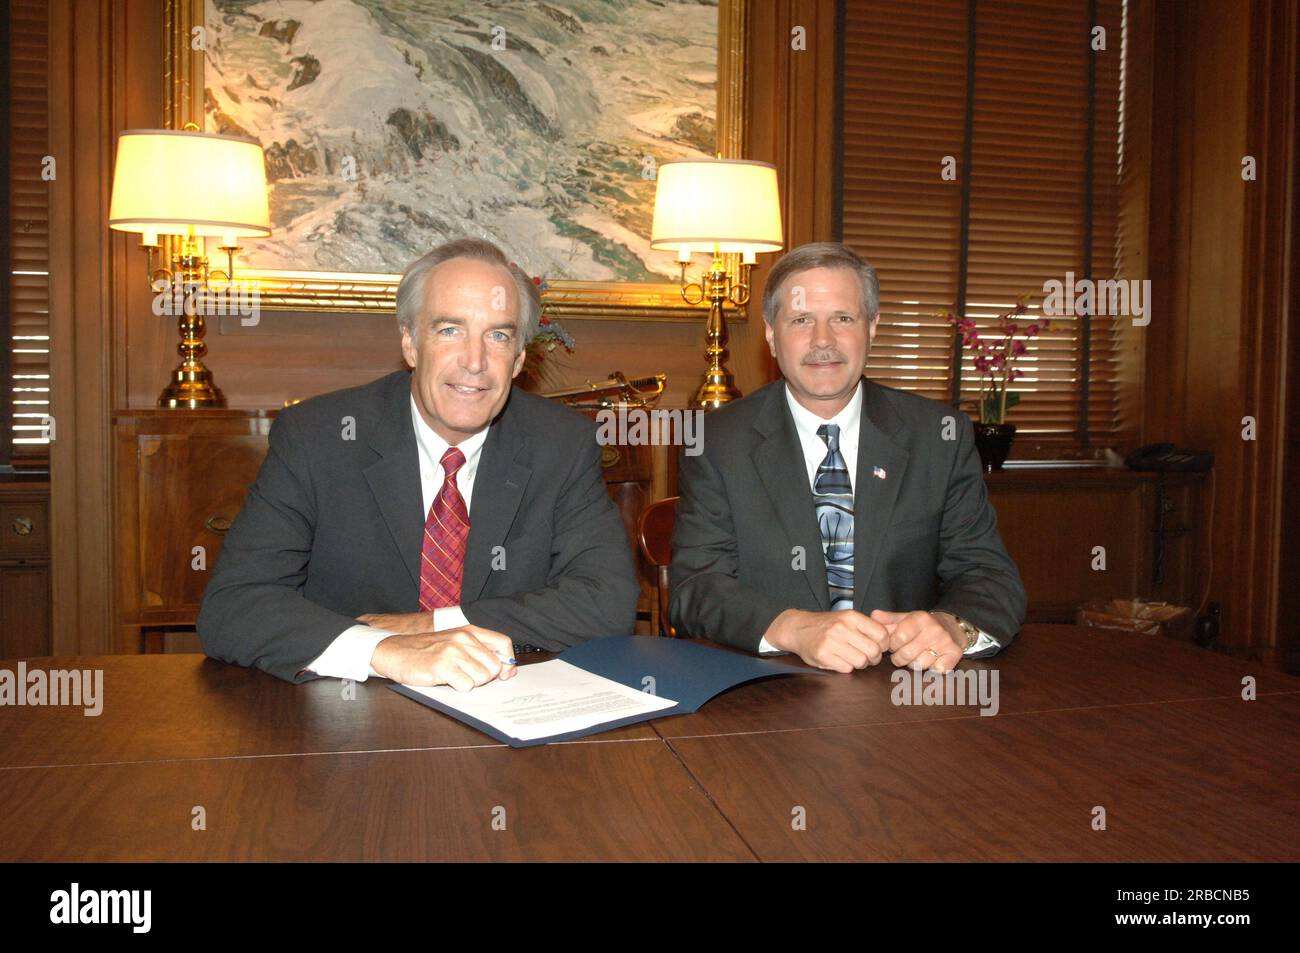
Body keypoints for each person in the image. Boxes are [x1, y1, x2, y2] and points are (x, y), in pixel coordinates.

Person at [199, 238, 639, 688]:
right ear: (410, 344)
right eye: (450, 330)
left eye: (499, 336)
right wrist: (383, 649)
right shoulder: (318, 437)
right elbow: (233, 605)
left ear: (519, 360)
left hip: (504, 718)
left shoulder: (560, 444)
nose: (475, 361)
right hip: (345, 718)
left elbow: (607, 602)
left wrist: (431, 625)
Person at [670, 241, 1026, 674]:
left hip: (904, 695)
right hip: (766, 694)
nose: (823, 341)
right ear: (770, 333)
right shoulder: (715, 441)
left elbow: (989, 577)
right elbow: (696, 589)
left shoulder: (938, 436)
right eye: (801, 320)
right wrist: (794, 629)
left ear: (872, 327)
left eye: (843, 318)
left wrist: (953, 628)